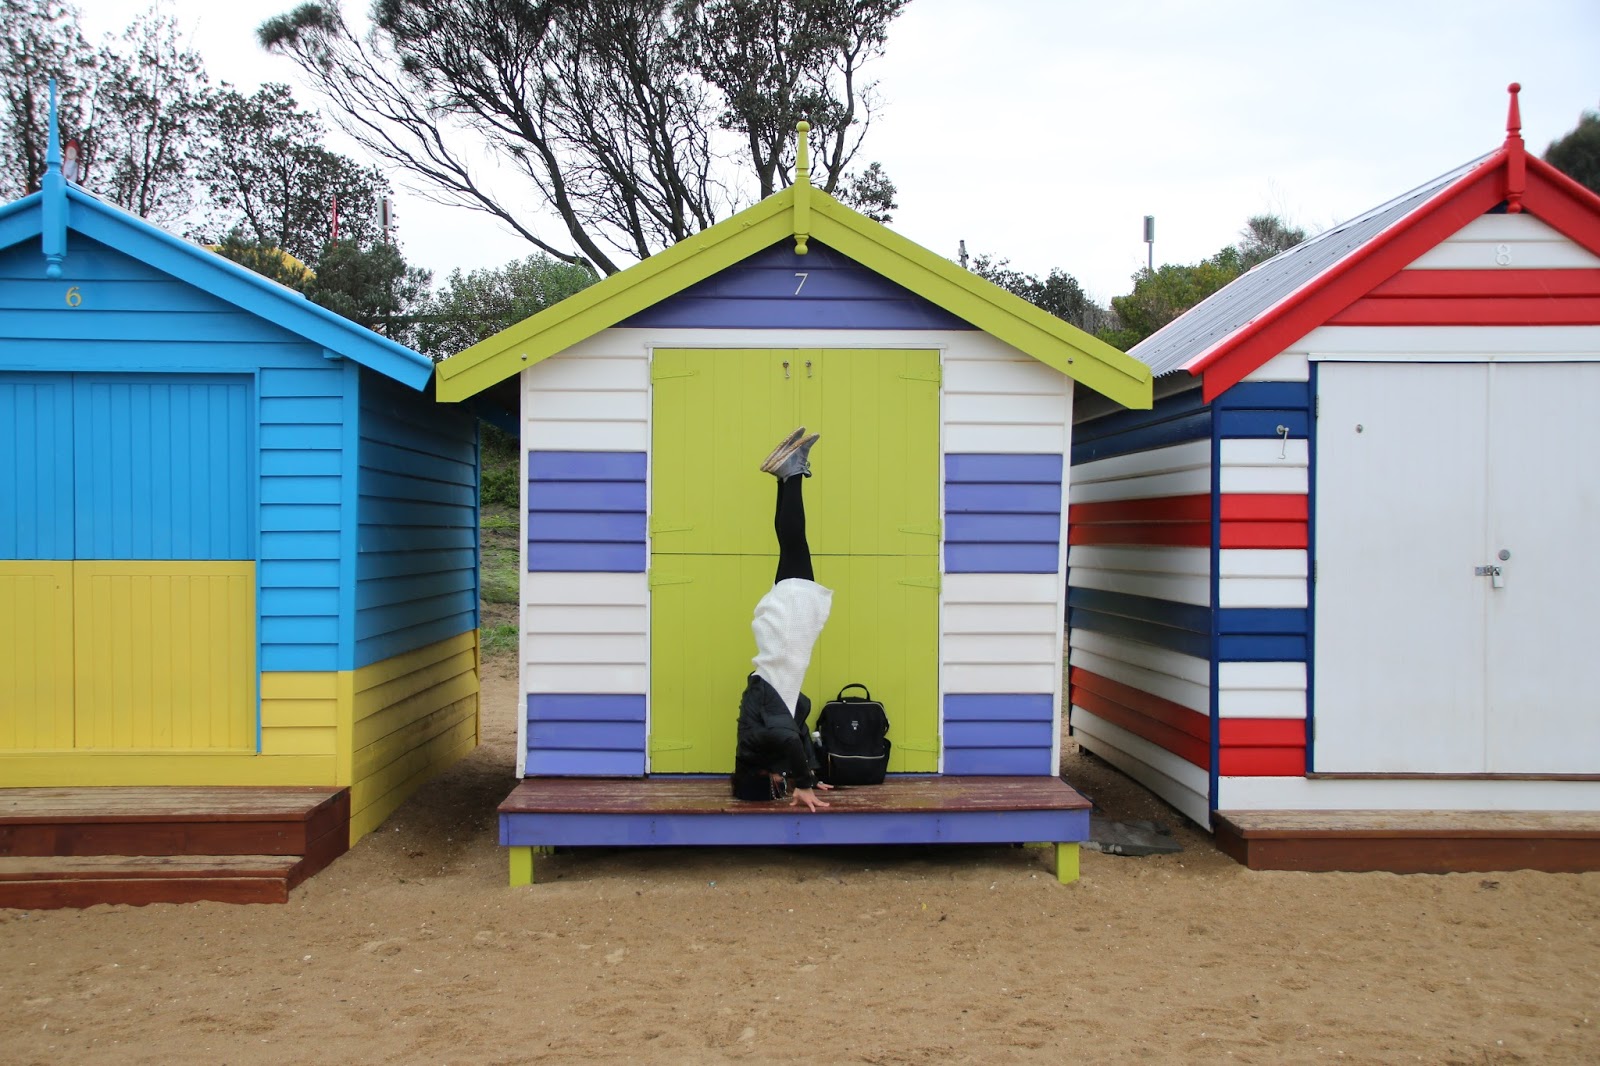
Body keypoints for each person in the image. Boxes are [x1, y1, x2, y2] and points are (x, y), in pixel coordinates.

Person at [730, 427, 835, 812]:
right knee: (791, 548)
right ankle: (784, 477)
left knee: (796, 546)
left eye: (778, 785)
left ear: (762, 776)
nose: (783, 783)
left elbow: (787, 737)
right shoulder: (760, 734)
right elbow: (799, 721)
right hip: (783, 634)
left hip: (789, 630)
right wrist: (809, 769)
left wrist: (803, 784)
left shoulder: (761, 742)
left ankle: (791, 474)